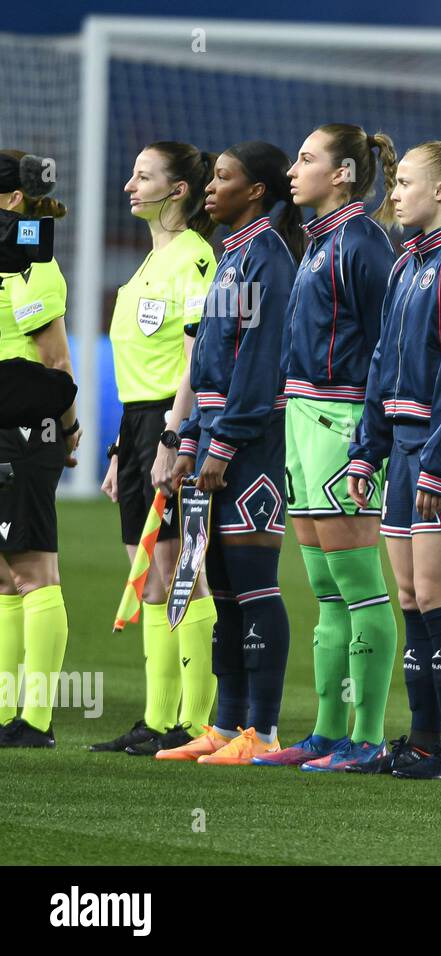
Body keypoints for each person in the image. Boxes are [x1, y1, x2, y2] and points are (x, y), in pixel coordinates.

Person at [344, 140, 441, 781]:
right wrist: (366, 449)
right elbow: (381, 364)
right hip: (403, 446)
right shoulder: (407, 264)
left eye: (404, 183)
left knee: (437, 595)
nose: (393, 193)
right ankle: (421, 738)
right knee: (409, 596)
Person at [252, 124, 399, 771]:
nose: (294, 169)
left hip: (341, 423)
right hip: (303, 422)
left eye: (308, 159)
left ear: (343, 173)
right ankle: (325, 733)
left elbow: (386, 346)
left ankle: (366, 738)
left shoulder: (363, 244)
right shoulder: (320, 243)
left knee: (358, 587)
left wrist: (369, 440)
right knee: (326, 591)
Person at [159, 142, 300, 764]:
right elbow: (213, 363)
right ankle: (225, 723)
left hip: (251, 441)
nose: (209, 189)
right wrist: (189, 438)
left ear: (257, 192)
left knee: (253, 585)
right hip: (216, 433)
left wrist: (221, 441)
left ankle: (262, 733)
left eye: (223, 178)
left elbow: (261, 365)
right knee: (218, 582)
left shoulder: (268, 258)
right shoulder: (231, 258)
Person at [93, 142, 218, 756]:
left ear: (177, 192)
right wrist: (122, 448)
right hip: (138, 425)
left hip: (174, 425)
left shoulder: (196, 259)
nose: (129, 186)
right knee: (147, 575)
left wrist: (175, 437)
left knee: (181, 575)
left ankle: (192, 724)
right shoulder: (149, 262)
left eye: (143, 176)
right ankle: (153, 720)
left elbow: (197, 358)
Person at [0, 150, 81, 748]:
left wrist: (68, 428)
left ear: (10, 202)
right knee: (4, 577)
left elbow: (54, 363)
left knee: (33, 571)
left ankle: (37, 719)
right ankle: (8, 712)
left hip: (25, 432)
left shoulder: (31, 269)